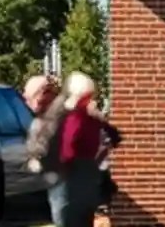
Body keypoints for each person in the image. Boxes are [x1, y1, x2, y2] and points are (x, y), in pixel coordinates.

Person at [57, 72, 114, 227]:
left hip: (78, 170)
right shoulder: (87, 118)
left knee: (75, 215)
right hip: (87, 170)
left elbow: (68, 145)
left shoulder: (76, 117)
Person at [24, 75, 70, 225]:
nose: (27, 102)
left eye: (31, 97)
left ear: (46, 93)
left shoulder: (60, 116)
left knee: (63, 216)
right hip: (55, 177)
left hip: (66, 177)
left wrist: (38, 157)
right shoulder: (42, 118)